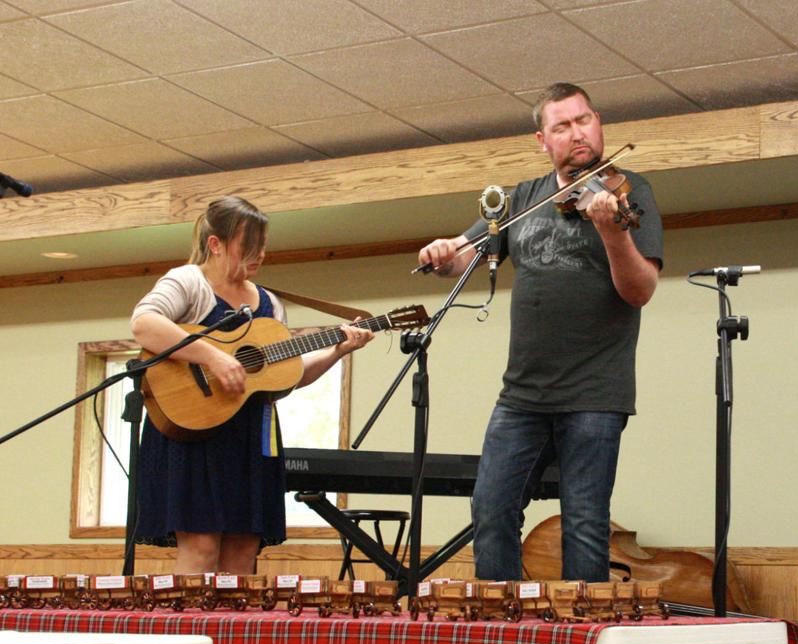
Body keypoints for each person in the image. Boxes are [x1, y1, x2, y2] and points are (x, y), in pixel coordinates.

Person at [418, 82, 663, 583]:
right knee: (490, 510)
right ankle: (505, 630)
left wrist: (613, 233)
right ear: (542, 139)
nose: (578, 134)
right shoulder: (521, 199)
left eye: (585, 120)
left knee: (585, 524)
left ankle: (582, 639)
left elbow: (640, 290)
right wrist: (444, 252)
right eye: (563, 126)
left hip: (596, 391)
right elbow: (467, 255)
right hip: (523, 393)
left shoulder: (629, 191)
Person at [131, 196, 373, 575]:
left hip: (249, 436)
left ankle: (232, 633)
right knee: (202, 547)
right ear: (216, 244)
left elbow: (286, 375)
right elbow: (144, 323)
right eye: (249, 246)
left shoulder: (269, 304)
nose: (259, 255)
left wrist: (337, 351)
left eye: (263, 246)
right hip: (192, 431)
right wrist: (213, 357)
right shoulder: (188, 281)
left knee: (243, 553)